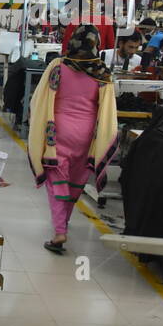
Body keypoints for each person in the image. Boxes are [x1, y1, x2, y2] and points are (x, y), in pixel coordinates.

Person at [28, 23, 119, 255]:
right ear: (96, 44)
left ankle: (60, 231)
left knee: (56, 180)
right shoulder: (102, 73)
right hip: (87, 134)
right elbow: (108, 109)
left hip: (56, 130)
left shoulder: (58, 66)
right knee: (75, 182)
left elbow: (40, 97)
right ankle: (63, 225)